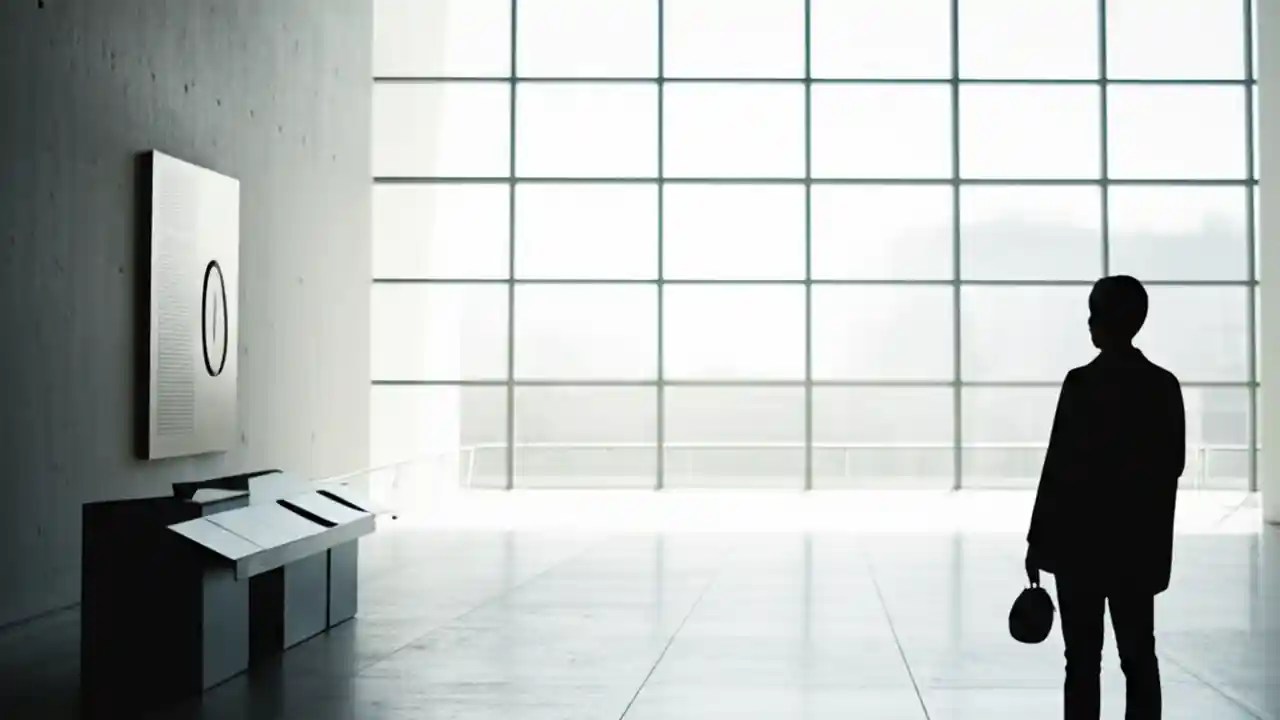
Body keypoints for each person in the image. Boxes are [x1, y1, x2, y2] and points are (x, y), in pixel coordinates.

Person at [1025, 275, 1185, 720]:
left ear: (1105, 320)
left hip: (1079, 547)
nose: (1089, 321)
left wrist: (1038, 540)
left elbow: (1057, 470)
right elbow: (1172, 465)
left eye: (1093, 311)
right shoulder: (1162, 386)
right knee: (1138, 657)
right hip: (1137, 546)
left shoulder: (1080, 385)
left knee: (1081, 661)